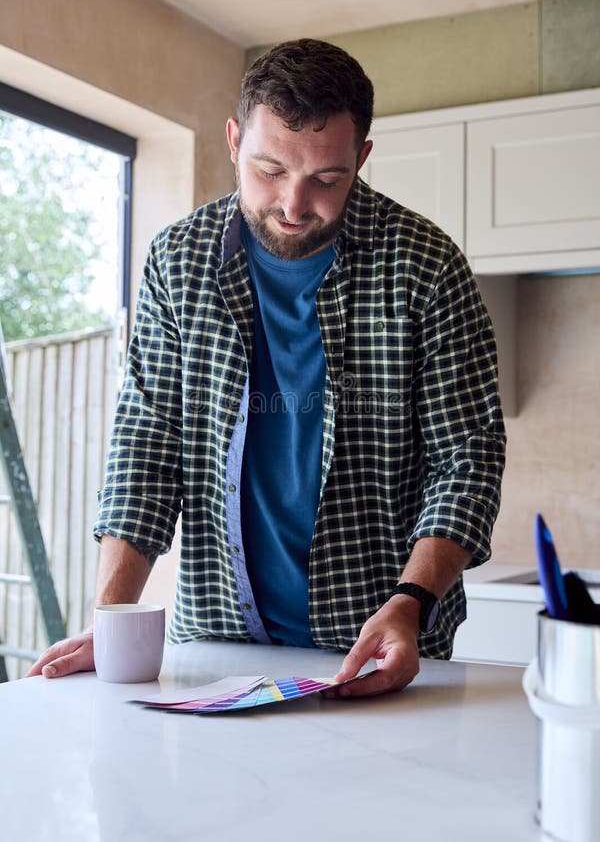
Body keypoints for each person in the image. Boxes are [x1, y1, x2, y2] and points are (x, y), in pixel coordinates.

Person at [27, 39, 506, 697]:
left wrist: (410, 601)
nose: (292, 202)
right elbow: (147, 446)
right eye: (269, 169)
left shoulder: (426, 267)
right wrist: (111, 621)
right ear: (233, 140)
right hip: (216, 647)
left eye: (327, 179)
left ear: (362, 159)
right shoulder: (178, 261)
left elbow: (468, 458)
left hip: (372, 646)